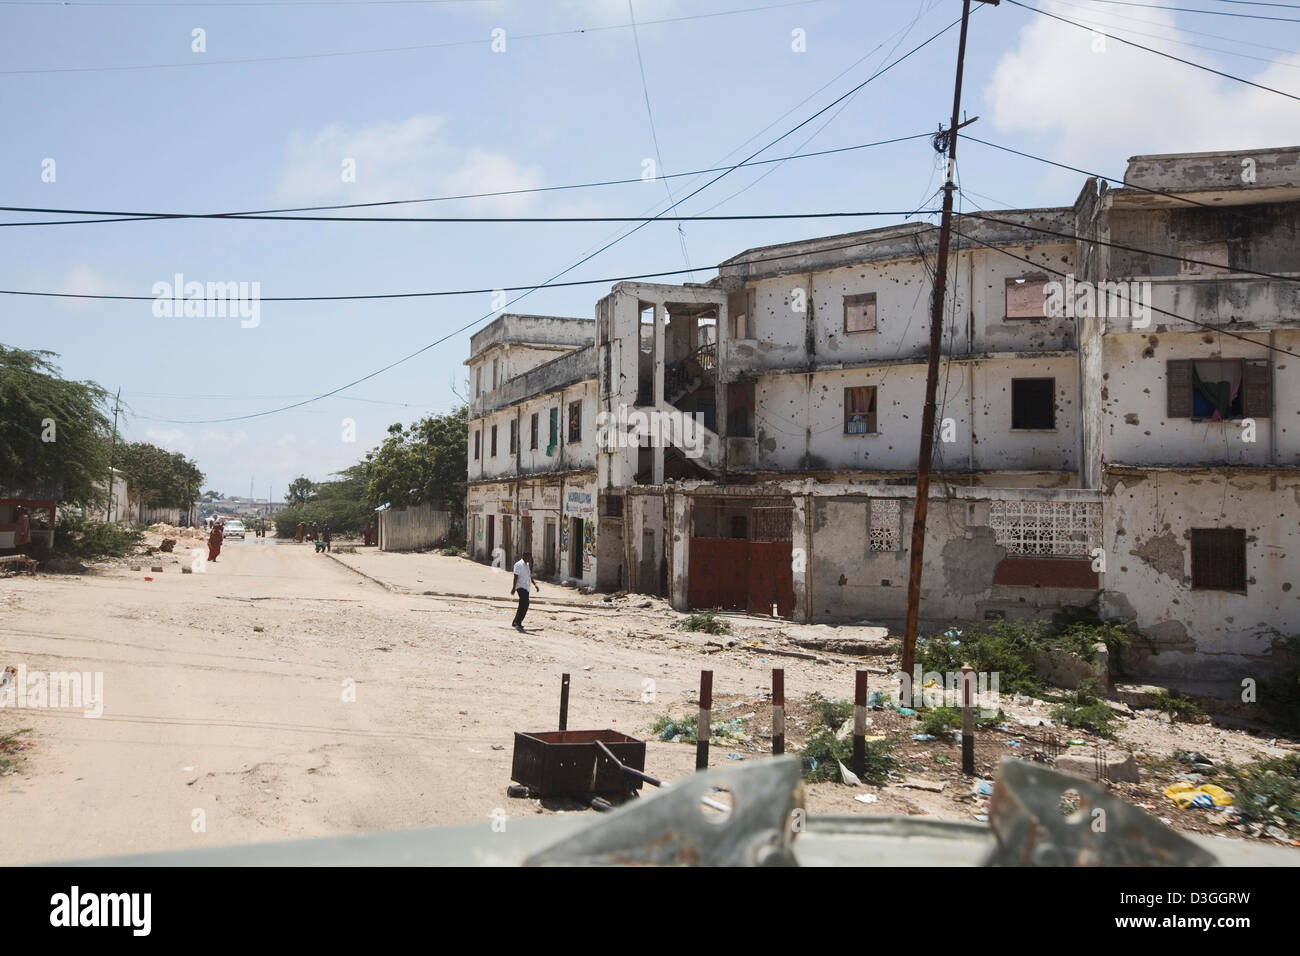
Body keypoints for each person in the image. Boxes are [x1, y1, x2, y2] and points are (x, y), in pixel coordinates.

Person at [510, 552, 538, 631]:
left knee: (522, 605)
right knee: (525, 603)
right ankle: (518, 623)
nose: (530, 559)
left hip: (526, 587)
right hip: (520, 587)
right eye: (529, 557)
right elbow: (515, 577)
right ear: (524, 556)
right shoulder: (518, 564)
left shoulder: (527, 565)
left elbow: (529, 576)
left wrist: (535, 584)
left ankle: (516, 621)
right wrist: (513, 588)